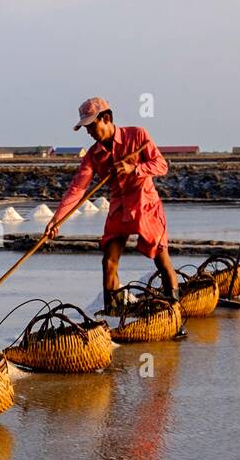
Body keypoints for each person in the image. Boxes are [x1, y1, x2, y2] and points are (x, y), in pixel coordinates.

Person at [45, 97, 176, 313]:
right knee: (108, 262)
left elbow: (161, 165)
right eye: (86, 128)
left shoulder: (137, 135)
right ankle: (113, 315)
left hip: (145, 203)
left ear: (106, 118)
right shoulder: (93, 156)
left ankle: (175, 312)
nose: (89, 132)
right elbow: (77, 189)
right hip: (119, 208)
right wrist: (56, 219)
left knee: (161, 258)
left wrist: (134, 169)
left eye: (91, 126)